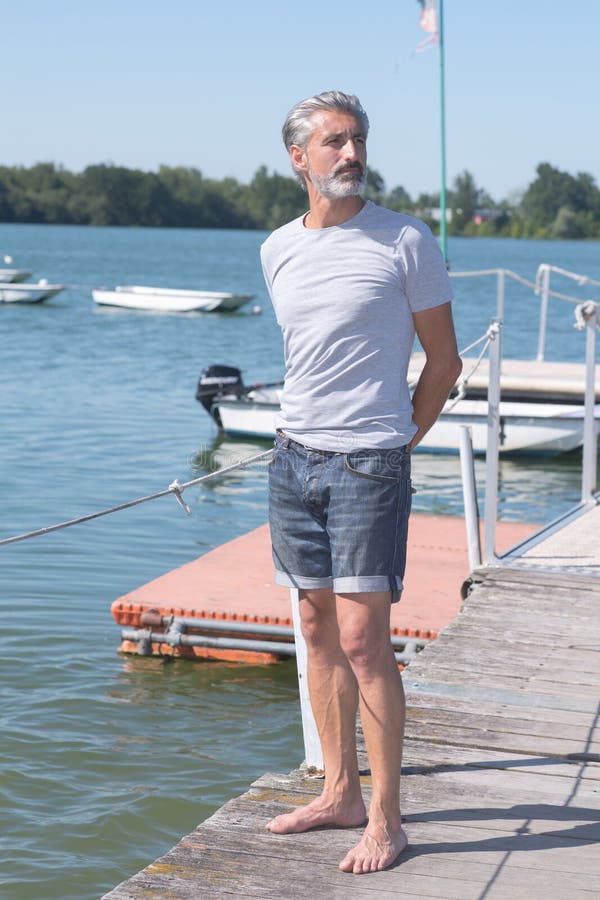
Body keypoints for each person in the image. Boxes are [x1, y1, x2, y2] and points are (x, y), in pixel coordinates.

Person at [260, 90, 462, 875]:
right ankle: (339, 791)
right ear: (299, 158)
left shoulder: (405, 240)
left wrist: (393, 445)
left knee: (362, 641)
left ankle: (386, 817)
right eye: (335, 142)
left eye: (359, 140)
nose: (351, 154)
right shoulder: (276, 248)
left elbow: (441, 367)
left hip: (369, 463)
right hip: (291, 458)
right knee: (313, 633)